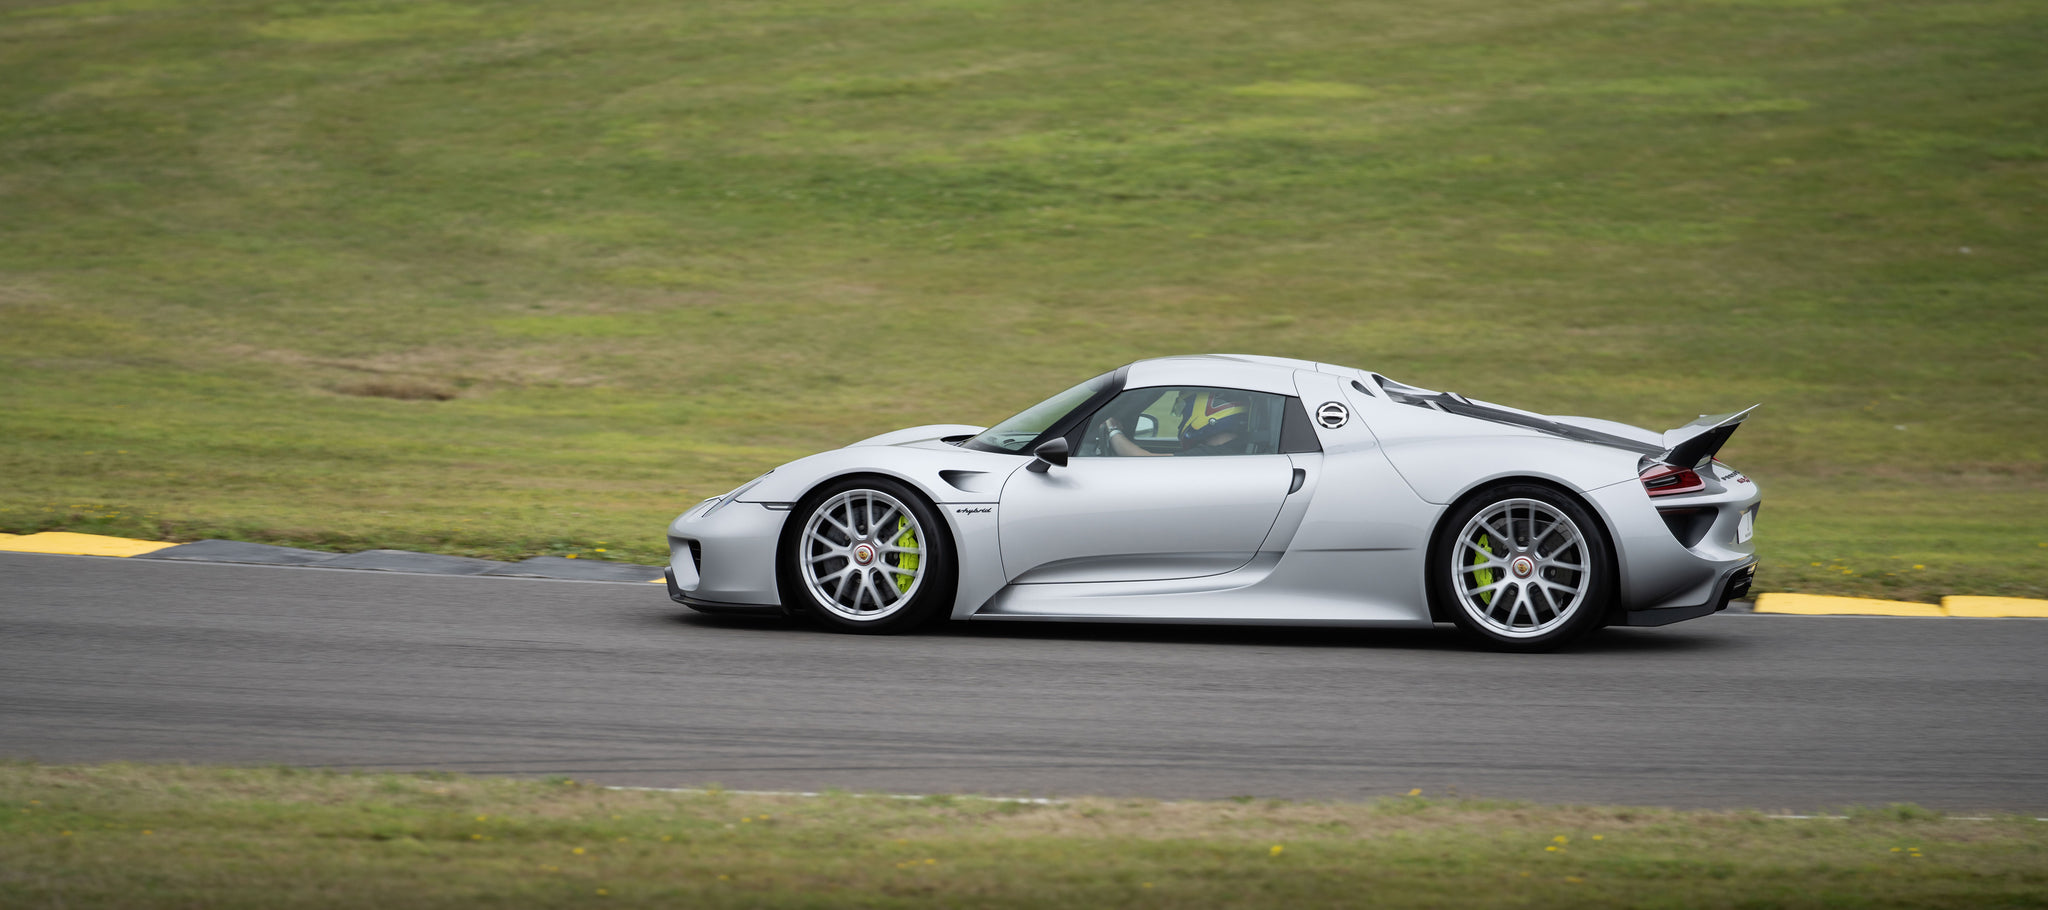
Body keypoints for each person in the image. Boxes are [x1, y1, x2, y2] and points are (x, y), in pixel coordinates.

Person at [1102, 391, 1250, 456]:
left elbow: (1143, 458)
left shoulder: (1212, 455)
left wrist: (1112, 428)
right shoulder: (1236, 449)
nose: (1181, 423)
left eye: (1184, 411)